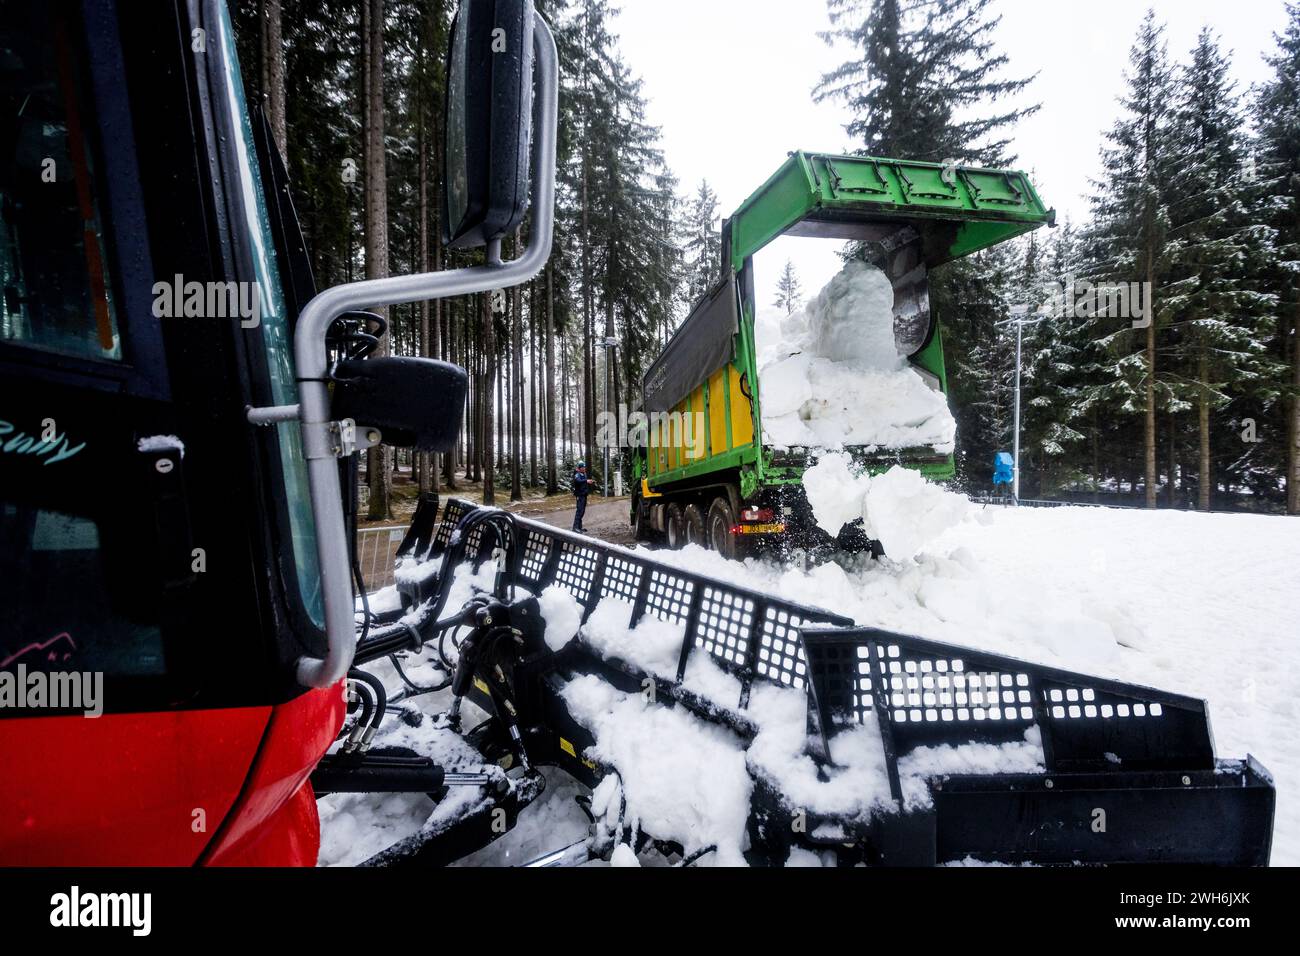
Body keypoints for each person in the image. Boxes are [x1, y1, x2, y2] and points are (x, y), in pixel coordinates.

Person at [571, 461, 593, 532]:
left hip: (584, 495)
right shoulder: (577, 474)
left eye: (584, 467)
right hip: (579, 495)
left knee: (582, 511)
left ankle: (579, 527)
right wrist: (586, 481)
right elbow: (578, 481)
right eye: (582, 467)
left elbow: (583, 482)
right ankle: (575, 527)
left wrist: (588, 482)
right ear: (579, 468)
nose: (584, 468)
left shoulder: (583, 474)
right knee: (579, 511)